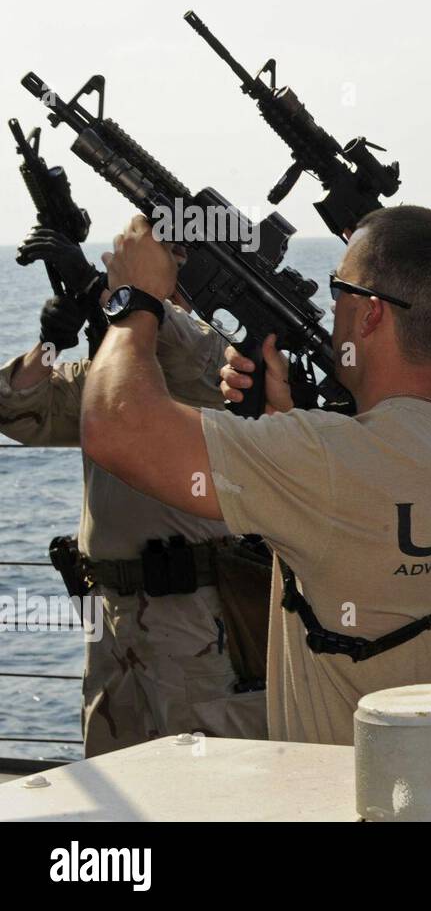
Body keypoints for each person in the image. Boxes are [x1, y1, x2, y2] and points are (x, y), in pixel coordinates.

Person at [80, 204, 431, 746]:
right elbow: (354, 526)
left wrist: (135, 300)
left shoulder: (324, 461)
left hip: (343, 794)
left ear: (372, 315)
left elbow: (117, 429)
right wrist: (284, 424)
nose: (331, 310)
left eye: (339, 291)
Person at [1, 230, 269, 755]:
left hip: (195, 617)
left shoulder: (217, 361)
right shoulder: (110, 377)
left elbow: (181, 342)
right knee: (119, 783)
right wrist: (55, 337)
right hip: (112, 616)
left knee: (213, 787)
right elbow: (17, 411)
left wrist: (112, 295)